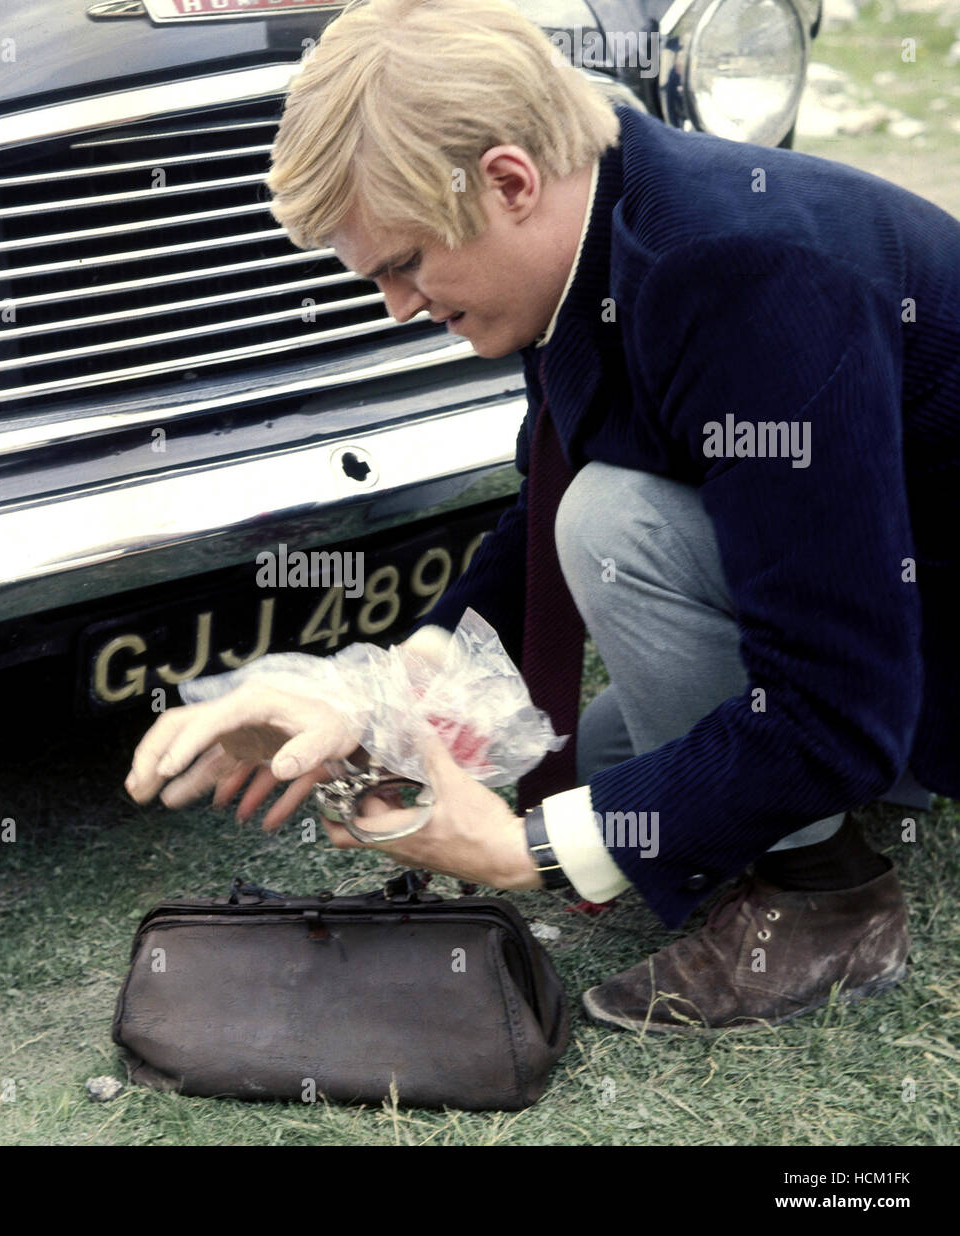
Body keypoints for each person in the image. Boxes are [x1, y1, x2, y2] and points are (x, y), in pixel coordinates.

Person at [126, 0, 960, 1033]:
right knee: (602, 768)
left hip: (903, 656)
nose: (395, 304)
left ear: (510, 180)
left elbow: (836, 701)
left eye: (402, 263)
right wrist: (372, 704)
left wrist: (522, 853)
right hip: (875, 590)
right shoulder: (597, 227)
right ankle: (824, 804)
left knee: (617, 548)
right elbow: (540, 516)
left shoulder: (740, 270)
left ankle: (825, 901)